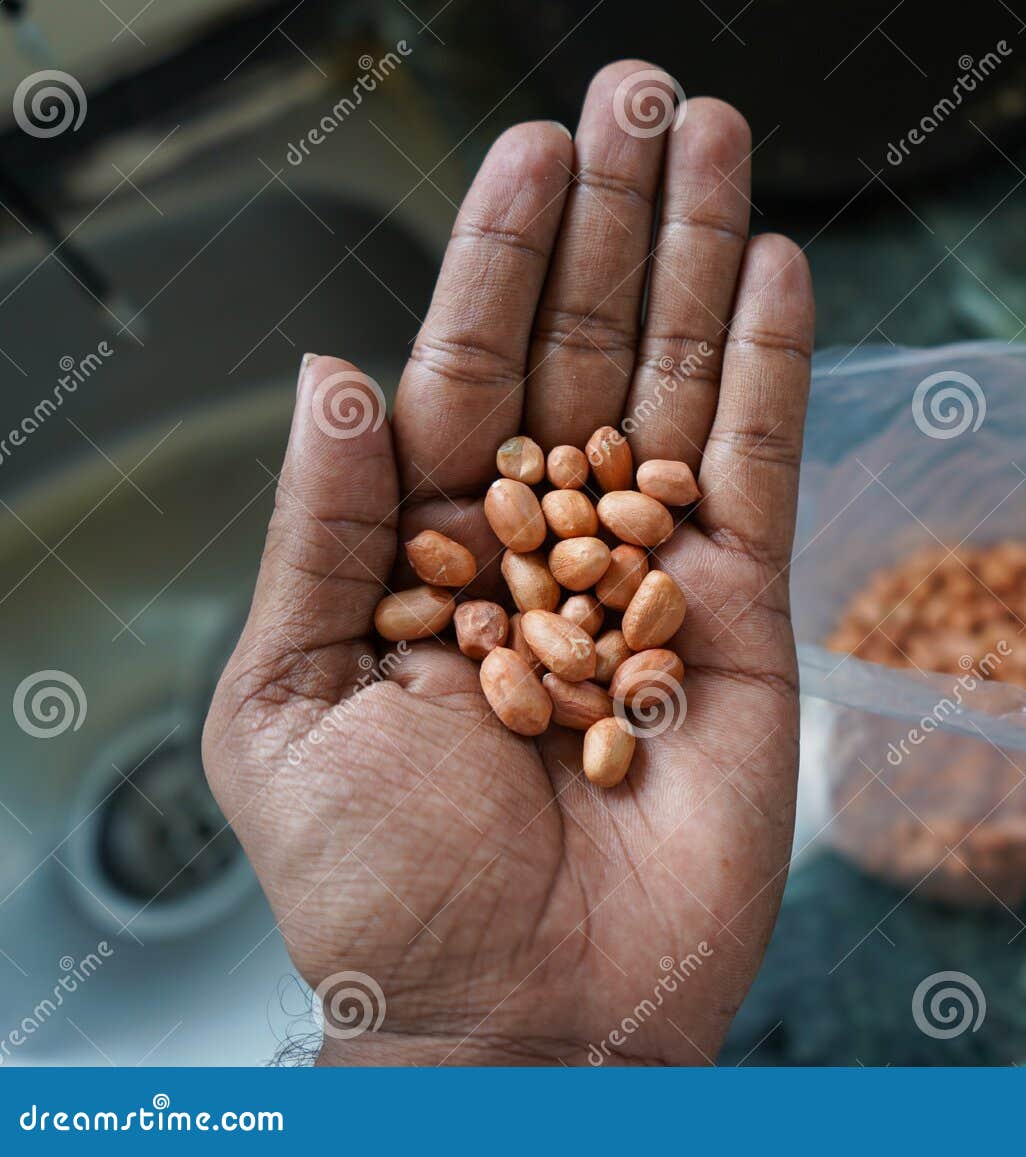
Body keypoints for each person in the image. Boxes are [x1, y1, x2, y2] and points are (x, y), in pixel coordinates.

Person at [202, 59, 813, 1066]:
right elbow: (551, 657)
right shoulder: (548, 608)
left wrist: (450, 1043)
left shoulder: (568, 602)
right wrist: (460, 1031)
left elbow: (561, 649)